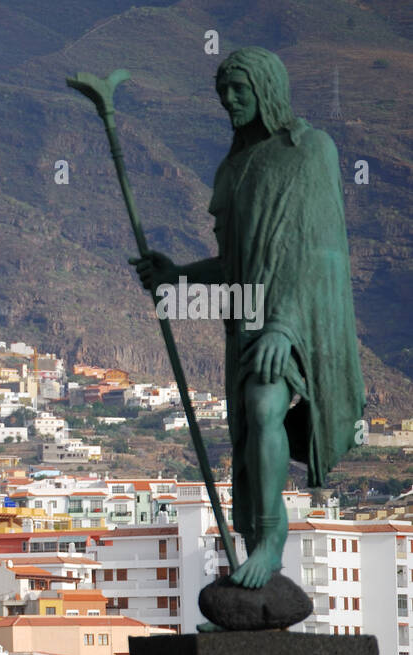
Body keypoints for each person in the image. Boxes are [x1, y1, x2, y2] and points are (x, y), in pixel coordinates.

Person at [131, 47, 365, 590]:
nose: (229, 101)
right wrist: (176, 277)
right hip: (247, 318)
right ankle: (257, 549)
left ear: (266, 88)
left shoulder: (310, 152)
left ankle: (269, 544)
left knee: (264, 406)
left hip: (300, 316)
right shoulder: (233, 167)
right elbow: (237, 263)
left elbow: (321, 250)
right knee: (247, 433)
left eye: (239, 90)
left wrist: (286, 326)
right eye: (222, 93)